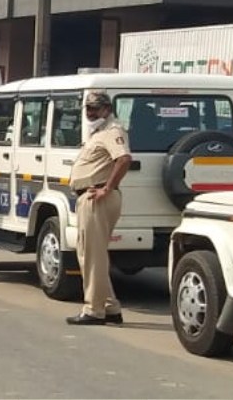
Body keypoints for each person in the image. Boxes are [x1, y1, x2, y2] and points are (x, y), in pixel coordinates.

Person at [65, 91, 131, 326]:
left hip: (98, 196)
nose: (89, 113)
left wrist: (107, 188)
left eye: (94, 108)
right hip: (91, 196)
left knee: (93, 256)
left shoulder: (113, 131)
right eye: (87, 108)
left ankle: (94, 310)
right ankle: (110, 306)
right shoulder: (99, 132)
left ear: (106, 108)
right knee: (90, 255)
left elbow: (123, 159)